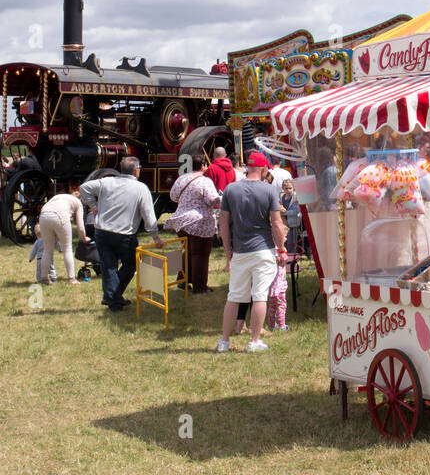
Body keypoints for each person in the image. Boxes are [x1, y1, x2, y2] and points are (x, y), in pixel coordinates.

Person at [216, 151, 287, 353]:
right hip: (263, 250)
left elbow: (223, 222)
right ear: (264, 169)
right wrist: (281, 248)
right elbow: (276, 223)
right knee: (259, 296)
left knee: (234, 296)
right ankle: (254, 342)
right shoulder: (268, 191)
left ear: (248, 167)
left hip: (240, 250)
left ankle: (224, 341)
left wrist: (228, 249)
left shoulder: (231, 189)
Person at [81, 158, 163, 310]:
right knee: (130, 264)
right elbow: (149, 215)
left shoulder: (107, 182)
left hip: (102, 232)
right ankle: (114, 299)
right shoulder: (141, 188)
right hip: (124, 234)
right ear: (136, 170)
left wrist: (93, 206)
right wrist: (155, 236)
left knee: (108, 266)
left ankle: (112, 296)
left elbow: (84, 188)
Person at [165, 154, 221, 293]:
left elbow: (172, 196)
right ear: (203, 166)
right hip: (199, 222)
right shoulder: (205, 181)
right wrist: (222, 198)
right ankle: (199, 287)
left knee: (188, 251)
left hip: (181, 221)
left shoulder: (181, 178)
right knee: (200, 254)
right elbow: (212, 200)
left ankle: (182, 281)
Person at [36, 188, 89, 286]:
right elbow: (80, 226)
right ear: (80, 198)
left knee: (47, 250)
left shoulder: (58, 197)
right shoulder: (78, 203)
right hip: (61, 216)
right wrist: (84, 237)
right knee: (67, 249)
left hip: (43, 215)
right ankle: (72, 279)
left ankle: (44, 278)